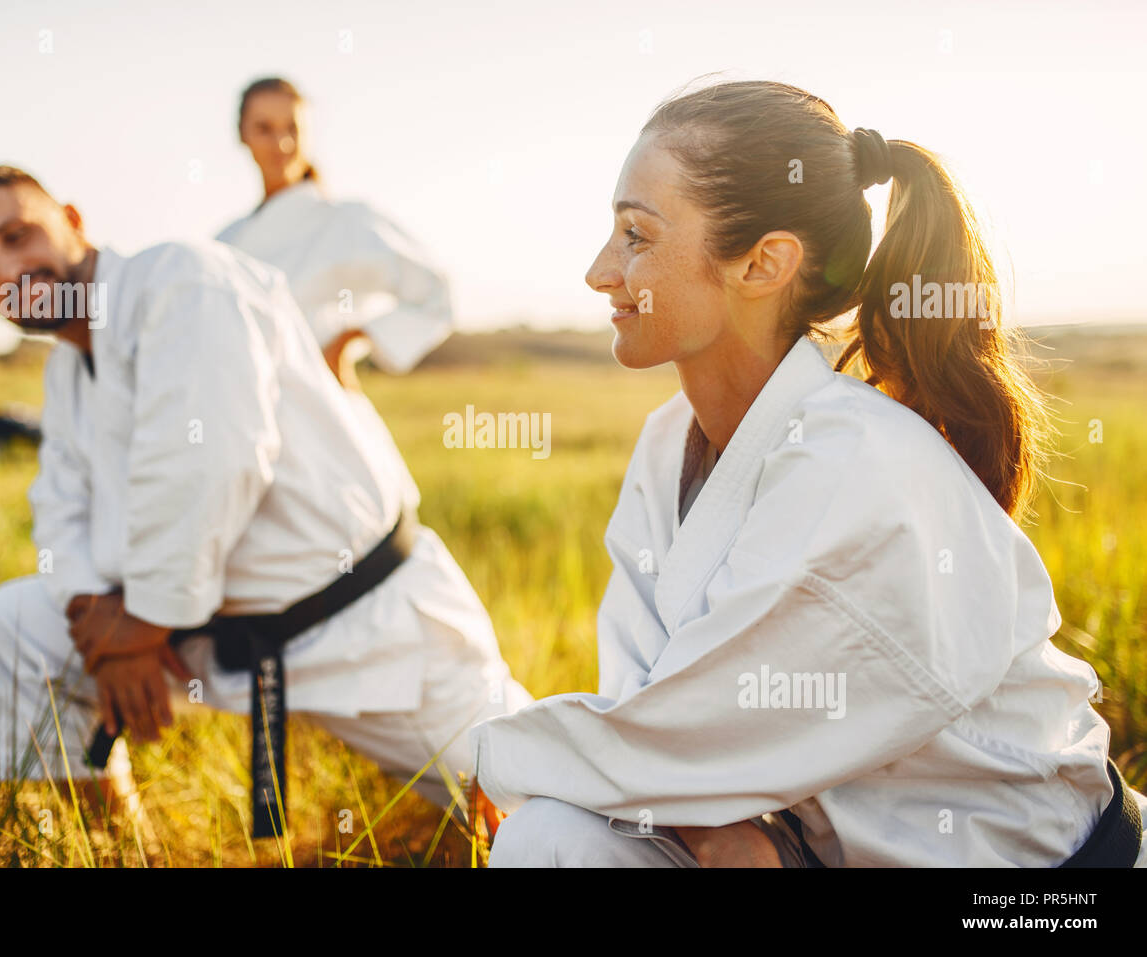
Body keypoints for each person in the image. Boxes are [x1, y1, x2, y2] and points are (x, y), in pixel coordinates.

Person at [470, 79, 1145, 867]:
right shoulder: (667, 449)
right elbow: (650, 719)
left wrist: (486, 755)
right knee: (549, 841)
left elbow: (664, 746)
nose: (599, 271)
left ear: (763, 263)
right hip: (800, 848)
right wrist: (709, 821)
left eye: (635, 236)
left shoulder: (856, 468)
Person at [0, 165, 530, 838]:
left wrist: (144, 622)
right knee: (18, 624)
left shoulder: (183, 281)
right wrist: (99, 616)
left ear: (70, 218)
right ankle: (110, 845)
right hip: (205, 638)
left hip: (369, 627)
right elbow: (60, 506)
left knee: (549, 815)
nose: (8, 271)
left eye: (18, 235)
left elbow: (211, 459)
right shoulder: (69, 368)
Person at [215, 77, 453, 392]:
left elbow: (436, 293)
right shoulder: (225, 243)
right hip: (240, 411)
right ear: (242, 136)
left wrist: (349, 342)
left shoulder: (347, 223)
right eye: (264, 129)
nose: (282, 144)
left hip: (318, 412)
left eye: (293, 129)